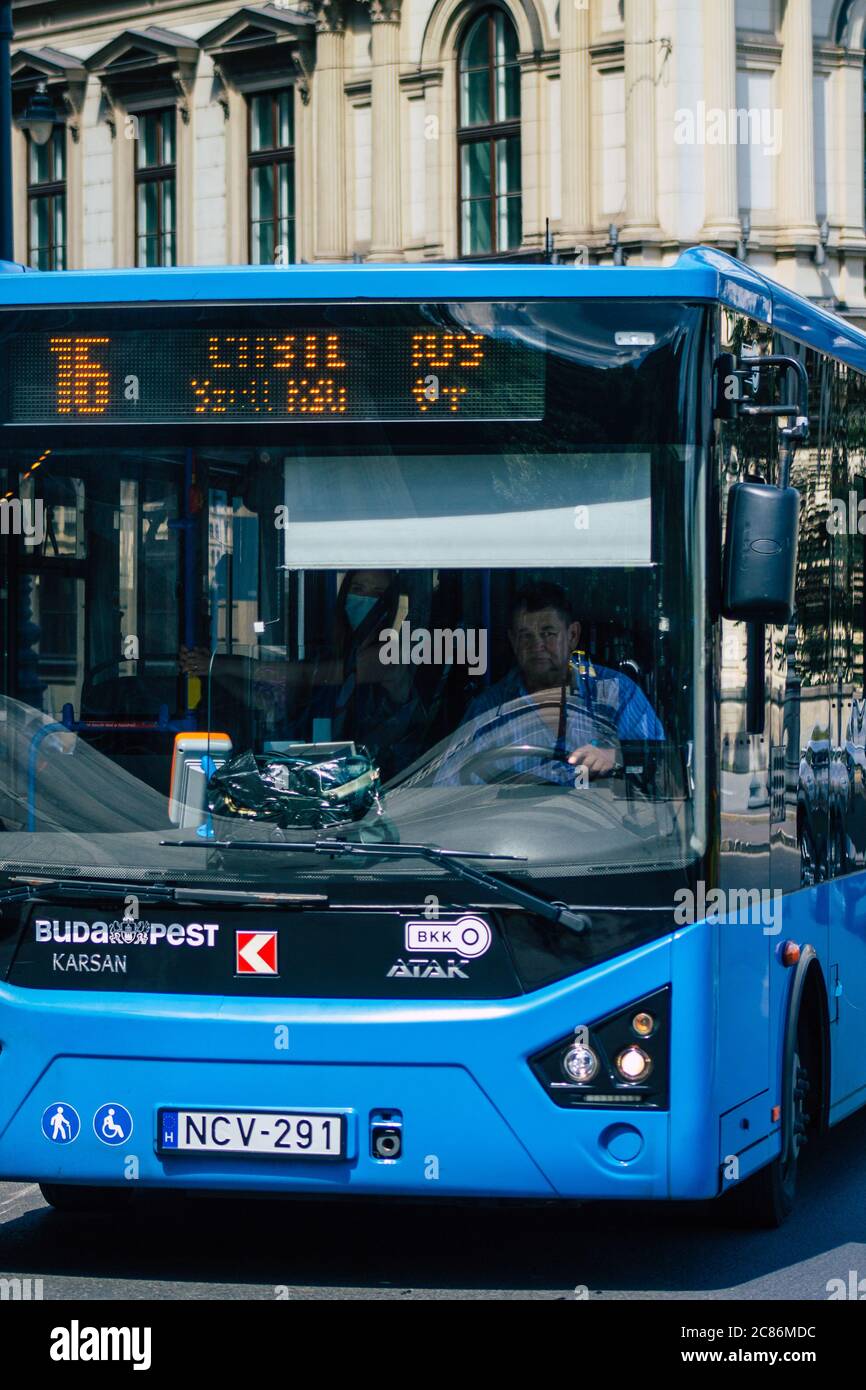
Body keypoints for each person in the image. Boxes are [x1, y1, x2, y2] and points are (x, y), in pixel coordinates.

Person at [435, 580, 663, 785]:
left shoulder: (615, 692)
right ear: (513, 641)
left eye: (548, 633)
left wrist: (616, 756)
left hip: (602, 826)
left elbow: (661, 764)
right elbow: (446, 786)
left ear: (572, 635)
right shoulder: (488, 711)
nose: (537, 645)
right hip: (515, 828)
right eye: (526, 636)